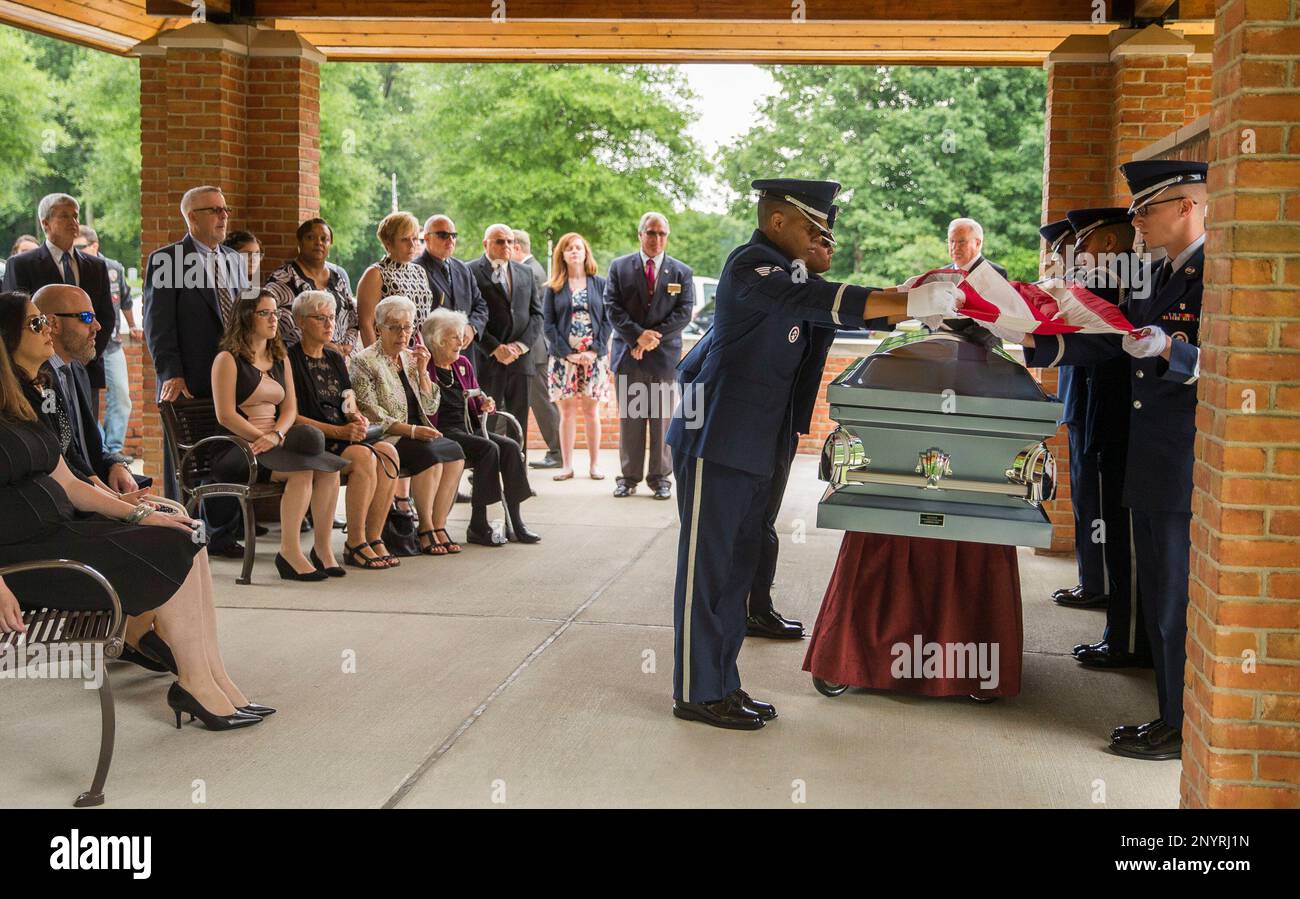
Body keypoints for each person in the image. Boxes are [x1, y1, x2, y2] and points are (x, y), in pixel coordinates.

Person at [666, 178, 963, 730]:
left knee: (738, 570)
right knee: (707, 570)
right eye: (813, 229)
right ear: (777, 222)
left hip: (761, 439)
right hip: (719, 437)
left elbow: (843, 308)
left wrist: (909, 301)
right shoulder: (750, 267)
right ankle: (695, 691)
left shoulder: (798, 276)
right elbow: (816, 302)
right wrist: (909, 301)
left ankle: (722, 684)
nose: (821, 241)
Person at [1007, 160, 1207, 761]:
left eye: (1147, 209)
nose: (1137, 221)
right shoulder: (1157, 272)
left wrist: (1177, 353)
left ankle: (1180, 725)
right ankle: (1168, 715)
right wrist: (1031, 336)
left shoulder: (1217, 272)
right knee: (1159, 594)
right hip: (1150, 453)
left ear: (1187, 207)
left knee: (1174, 599)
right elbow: (1111, 337)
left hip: (1182, 457)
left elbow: (1232, 356)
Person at [0, 330, 272, 730]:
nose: (49, 331)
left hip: (62, 529)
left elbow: (73, 485)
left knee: (185, 531)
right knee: (171, 544)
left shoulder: (21, 403)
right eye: (36, 324)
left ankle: (213, 676)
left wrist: (142, 516)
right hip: (27, 555)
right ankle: (195, 683)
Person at [1061, 207, 1151, 670]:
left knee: (1126, 540)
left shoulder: (1128, 281)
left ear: (1109, 245)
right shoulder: (1117, 279)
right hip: (1108, 419)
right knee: (1116, 535)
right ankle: (1121, 635)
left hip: (1128, 425)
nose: (1078, 255)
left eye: (1085, 245)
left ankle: (1129, 641)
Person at [143, 184, 251, 560]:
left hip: (235, 377)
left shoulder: (237, 260)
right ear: (192, 217)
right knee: (188, 459)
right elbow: (158, 324)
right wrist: (171, 373)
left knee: (227, 453)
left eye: (225, 209)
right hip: (189, 377)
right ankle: (182, 531)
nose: (224, 216)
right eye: (215, 210)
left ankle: (222, 534)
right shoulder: (167, 260)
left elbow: (248, 319)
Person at [211, 291, 348, 582]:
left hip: (274, 440)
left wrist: (277, 434)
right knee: (301, 474)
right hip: (239, 447)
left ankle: (322, 550)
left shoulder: (279, 357)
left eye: (276, 312)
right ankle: (289, 553)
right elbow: (226, 416)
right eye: (266, 313)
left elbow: (290, 408)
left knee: (329, 471)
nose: (275, 319)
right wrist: (264, 436)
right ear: (248, 317)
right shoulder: (227, 359)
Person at [287, 289, 400, 570]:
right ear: (300, 322)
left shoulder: (335, 358)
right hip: (313, 442)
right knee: (365, 458)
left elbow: (347, 401)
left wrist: (356, 418)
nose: (329, 325)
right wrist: (339, 432)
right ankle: (355, 542)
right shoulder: (289, 360)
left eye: (332, 317)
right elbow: (291, 417)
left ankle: (373, 538)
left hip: (342, 436)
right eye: (320, 318)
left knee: (388, 452)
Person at [348, 296, 466, 556]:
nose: (403, 334)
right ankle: (424, 528)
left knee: (454, 451)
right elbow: (371, 411)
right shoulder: (363, 361)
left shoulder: (411, 359)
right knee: (431, 454)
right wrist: (411, 430)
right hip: (390, 436)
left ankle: (438, 525)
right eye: (395, 327)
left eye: (408, 327)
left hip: (417, 431)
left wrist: (423, 371)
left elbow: (431, 406)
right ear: (379, 328)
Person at [423, 308, 539, 546]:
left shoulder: (463, 364)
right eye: (454, 337)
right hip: (443, 432)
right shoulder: (426, 367)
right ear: (437, 340)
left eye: (460, 335)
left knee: (508, 447)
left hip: (468, 428)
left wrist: (486, 404)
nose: (461, 341)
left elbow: (478, 402)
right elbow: (424, 405)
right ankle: (478, 523)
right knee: (488, 448)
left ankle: (515, 520)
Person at [605, 212, 695, 500]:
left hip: (663, 358)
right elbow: (612, 306)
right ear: (640, 234)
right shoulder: (620, 268)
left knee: (661, 420)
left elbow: (684, 312)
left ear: (667, 236)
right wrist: (637, 336)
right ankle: (628, 478)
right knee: (631, 420)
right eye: (651, 233)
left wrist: (652, 338)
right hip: (629, 356)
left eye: (661, 234)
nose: (656, 239)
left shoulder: (682, 272)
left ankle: (660, 478)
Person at [3, 194, 116, 416]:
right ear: (45, 223)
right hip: (39, 371)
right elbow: (14, 320)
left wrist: (83, 355)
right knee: (54, 432)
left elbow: (106, 317)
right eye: (64, 216)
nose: (74, 222)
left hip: (87, 366)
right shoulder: (22, 264)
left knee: (84, 433)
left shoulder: (96, 266)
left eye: (76, 216)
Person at [30, 285, 146, 495]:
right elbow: (63, 455)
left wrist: (116, 464)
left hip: (97, 482)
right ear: (53, 324)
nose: (98, 326)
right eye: (85, 317)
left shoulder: (77, 370)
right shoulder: (36, 378)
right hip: (69, 496)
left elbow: (92, 440)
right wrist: (118, 502)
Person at [466, 224, 543, 451]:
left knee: (518, 422)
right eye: (500, 241)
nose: (506, 246)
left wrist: (520, 347)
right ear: (485, 244)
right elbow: (469, 316)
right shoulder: (470, 271)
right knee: (485, 420)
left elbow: (537, 314)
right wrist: (495, 348)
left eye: (510, 241)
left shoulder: (525, 272)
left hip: (521, 361)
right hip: (488, 360)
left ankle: (517, 479)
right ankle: (484, 477)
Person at [542, 232, 610, 481]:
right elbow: (547, 325)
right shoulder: (553, 288)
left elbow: (607, 321)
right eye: (568, 248)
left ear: (585, 252)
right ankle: (567, 465)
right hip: (563, 360)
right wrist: (568, 354)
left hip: (594, 359)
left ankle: (594, 465)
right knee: (567, 413)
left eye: (578, 247)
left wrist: (594, 351)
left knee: (592, 413)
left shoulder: (600, 284)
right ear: (562, 254)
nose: (574, 251)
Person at [75, 225, 139, 459]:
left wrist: (132, 326)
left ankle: (114, 449)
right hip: (82, 346)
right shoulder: (72, 268)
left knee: (121, 397)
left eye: (80, 246)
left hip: (111, 344)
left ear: (94, 245)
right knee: (86, 400)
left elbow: (125, 300)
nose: (76, 250)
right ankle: (97, 448)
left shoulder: (113, 268)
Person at [264, 218, 361, 354]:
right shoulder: (283, 278)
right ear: (300, 242)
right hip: (299, 358)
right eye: (310, 238)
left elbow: (353, 319)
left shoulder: (338, 278)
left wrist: (346, 346)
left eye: (324, 239)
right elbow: (268, 315)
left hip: (340, 358)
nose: (318, 243)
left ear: (330, 244)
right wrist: (321, 345)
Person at [513, 229, 563, 470]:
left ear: (517, 248)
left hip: (534, 351)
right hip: (534, 350)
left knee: (542, 403)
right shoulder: (535, 269)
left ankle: (559, 451)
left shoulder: (530, 271)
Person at [355, 212, 434, 348]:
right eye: (404, 239)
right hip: (389, 353)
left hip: (420, 353)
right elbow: (366, 324)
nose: (412, 245)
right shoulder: (376, 273)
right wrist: (377, 363)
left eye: (414, 239)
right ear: (388, 243)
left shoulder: (419, 271)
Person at [414, 214, 489, 356]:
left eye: (453, 235)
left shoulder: (463, 268)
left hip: (464, 355)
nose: (450, 240)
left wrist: (472, 327)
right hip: (433, 355)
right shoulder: (415, 270)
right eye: (443, 235)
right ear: (427, 238)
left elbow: (480, 305)